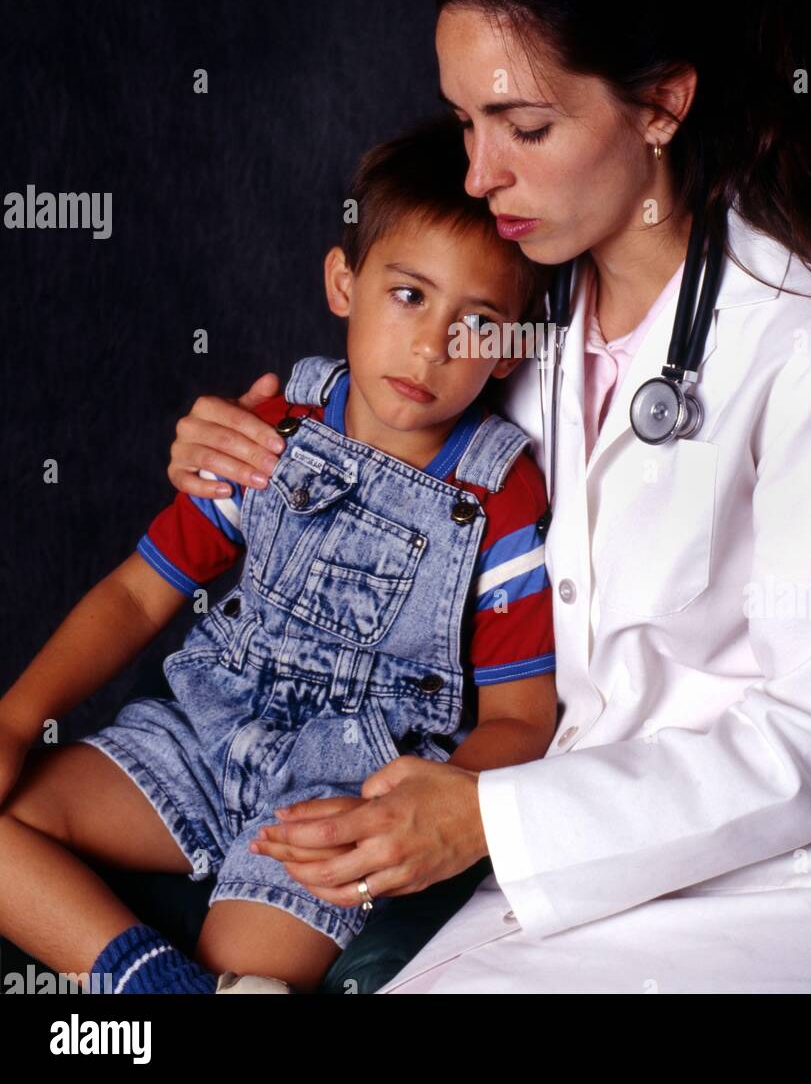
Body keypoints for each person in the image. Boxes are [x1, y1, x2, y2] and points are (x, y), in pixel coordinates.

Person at [162, 0, 811, 994]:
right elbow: (386, 473)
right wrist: (251, 454)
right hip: (581, 848)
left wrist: (487, 816)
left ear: (660, 105)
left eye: (524, 126)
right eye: (465, 123)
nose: (476, 175)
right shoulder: (515, 324)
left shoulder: (808, 345)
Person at [0, 119, 558, 994]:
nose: (431, 347)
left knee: (252, 974)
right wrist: (15, 717)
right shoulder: (267, 433)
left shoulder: (499, 495)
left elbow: (523, 719)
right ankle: (148, 983)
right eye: (410, 296)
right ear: (345, 281)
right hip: (202, 735)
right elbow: (139, 595)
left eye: (479, 323)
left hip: (346, 790)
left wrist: (418, 809)